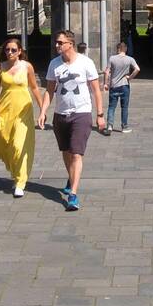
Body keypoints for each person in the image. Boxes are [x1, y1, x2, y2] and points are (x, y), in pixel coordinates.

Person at [38, 29, 104, 211]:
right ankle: (71, 176)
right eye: (56, 42)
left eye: (60, 42)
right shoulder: (54, 64)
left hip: (81, 113)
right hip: (61, 114)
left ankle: (73, 195)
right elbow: (50, 90)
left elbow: (96, 90)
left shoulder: (86, 63)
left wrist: (100, 114)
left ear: (70, 44)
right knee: (66, 152)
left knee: (76, 153)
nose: (57, 45)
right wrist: (43, 112)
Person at [0, 36, 44, 197]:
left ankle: (20, 182)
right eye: (7, 49)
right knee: (8, 144)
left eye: (13, 50)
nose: (10, 52)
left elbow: (34, 88)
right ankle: (15, 173)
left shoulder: (27, 67)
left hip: (23, 111)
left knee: (19, 146)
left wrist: (42, 109)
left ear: (20, 52)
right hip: (5, 110)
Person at [102, 39, 140, 134]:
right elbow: (137, 69)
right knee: (124, 107)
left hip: (114, 85)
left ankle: (110, 126)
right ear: (125, 49)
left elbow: (107, 72)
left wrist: (106, 83)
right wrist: (130, 77)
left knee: (111, 107)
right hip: (124, 85)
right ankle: (124, 126)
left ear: (118, 49)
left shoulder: (112, 58)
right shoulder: (130, 59)